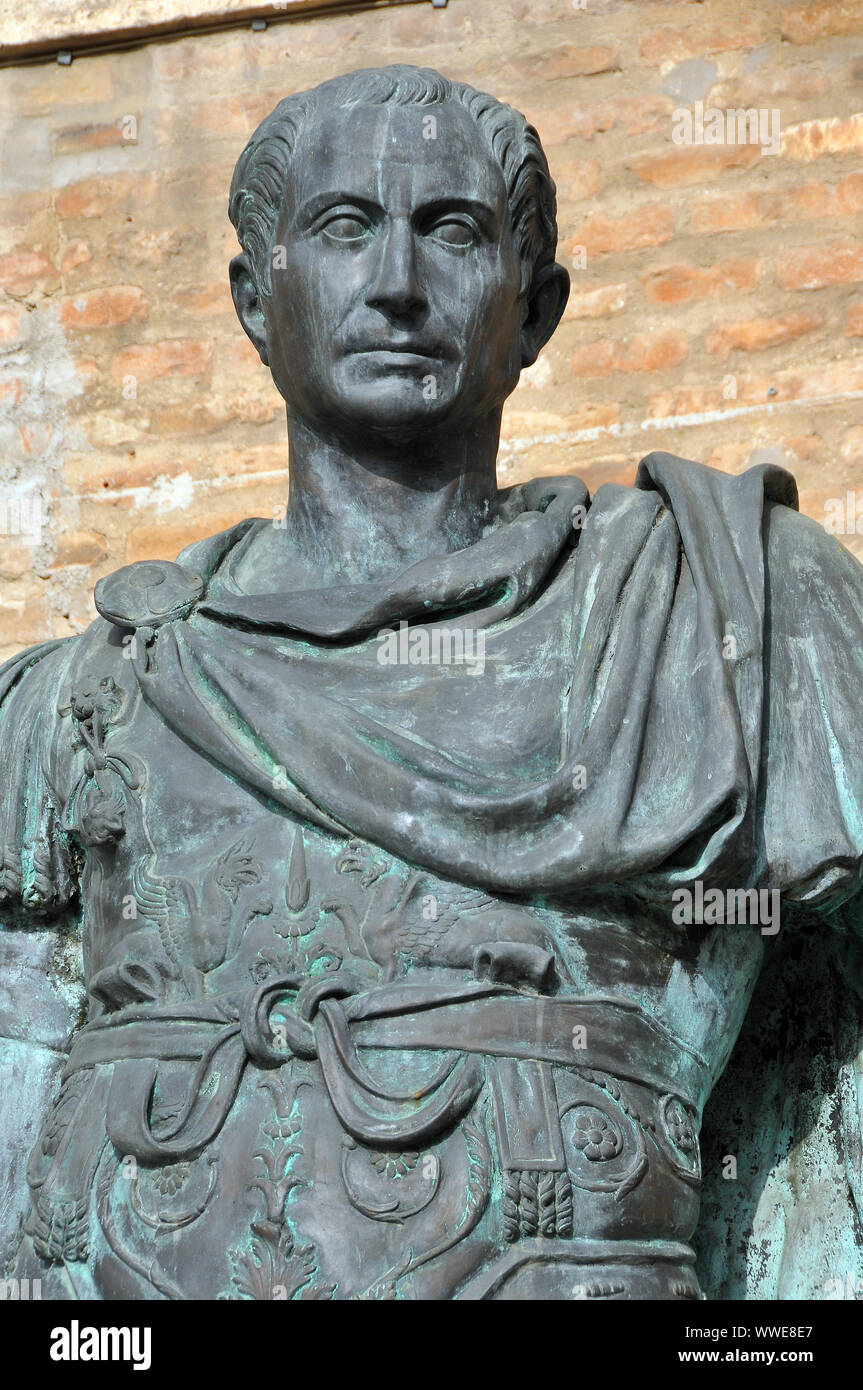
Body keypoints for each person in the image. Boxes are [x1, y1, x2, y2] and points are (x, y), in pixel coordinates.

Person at [3, 64, 863, 1300]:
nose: (396, 285)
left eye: (450, 231)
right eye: (344, 228)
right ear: (257, 297)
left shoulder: (723, 618)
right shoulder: (92, 696)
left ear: (535, 309)